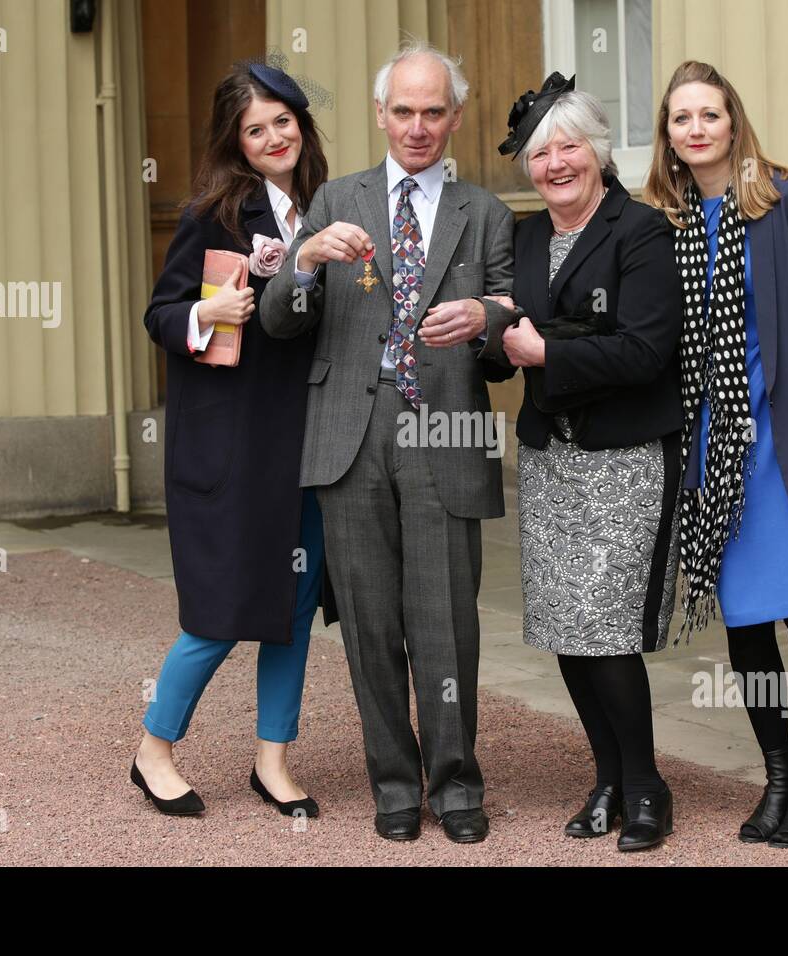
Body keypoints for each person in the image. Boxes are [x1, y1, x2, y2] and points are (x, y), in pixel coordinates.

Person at [260, 42, 516, 844]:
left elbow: (509, 340)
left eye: (433, 111)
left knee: (446, 622)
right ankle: (396, 786)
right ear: (380, 115)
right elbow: (276, 321)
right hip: (350, 432)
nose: (417, 126)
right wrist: (302, 261)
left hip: (444, 427)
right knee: (371, 622)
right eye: (403, 111)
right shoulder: (338, 195)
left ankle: (458, 785)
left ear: (455, 117)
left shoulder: (489, 212)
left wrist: (488, 320)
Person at [645, 60, 788, 847]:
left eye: (710, 114)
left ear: (734, 122)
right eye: (682, 118)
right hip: (716, 447)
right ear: (668, 135)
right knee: (745, 619)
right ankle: (775, 772)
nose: (697, 128)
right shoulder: (663, 223)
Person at [481, 74, 685, 852]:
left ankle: (645, 788)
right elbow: (506, 340)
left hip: (625, 459)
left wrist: (544, 348)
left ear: (597, 151)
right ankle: (605, 777)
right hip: (551, 459)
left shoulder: (641, 231)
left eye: (568, 146)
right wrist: (489, 342)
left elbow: (643, 350)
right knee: (566, 628)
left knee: (606, 629)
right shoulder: (526, 238)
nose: (555, 163)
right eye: (540, 153)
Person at [133, 63, 334, 818]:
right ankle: (154, 747)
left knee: (292, 606)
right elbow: (161, 314)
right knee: (218, 611)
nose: (273, 136)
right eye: (256, 128)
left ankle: (273, 761)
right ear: (237, 143)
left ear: (300, 124)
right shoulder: (214, 214)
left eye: (283, 120)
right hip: (233, 450)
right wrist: (209, 314)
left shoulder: (328, 208)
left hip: (310, 448)